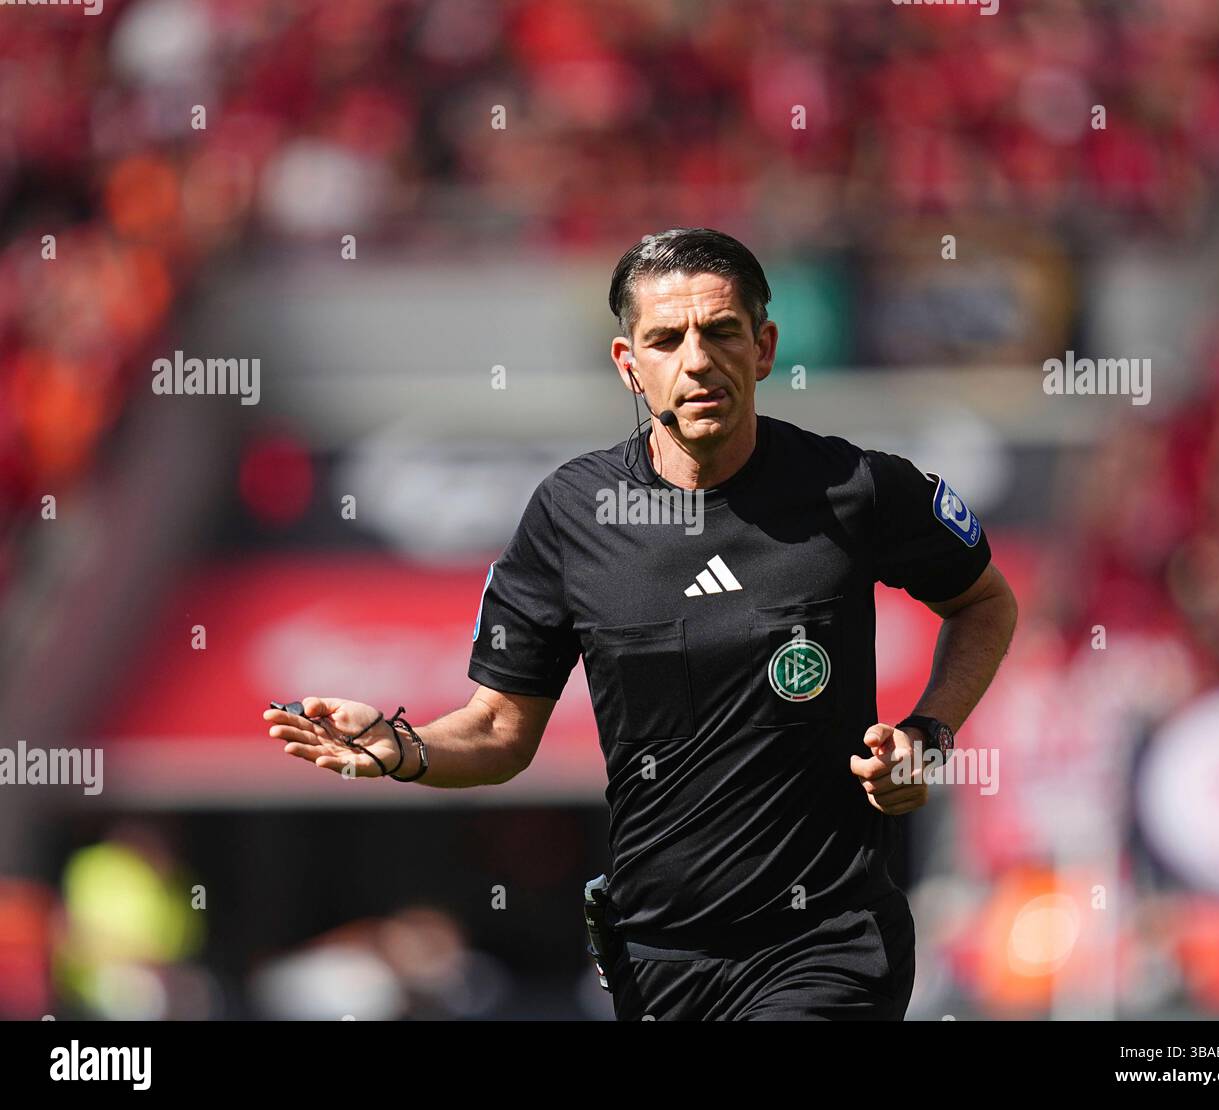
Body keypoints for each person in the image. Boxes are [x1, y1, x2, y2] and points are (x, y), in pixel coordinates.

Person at [263, 227, 1018, 1020]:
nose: (697, 359)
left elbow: (984, 601)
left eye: (722, 331)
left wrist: (930, 735)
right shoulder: (570, 516)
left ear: (763, 348)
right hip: (657, 964)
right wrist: (402, 747)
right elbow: (497, 732)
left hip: (826, 944)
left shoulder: (856, 489)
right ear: (630, 364)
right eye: (666, 339)